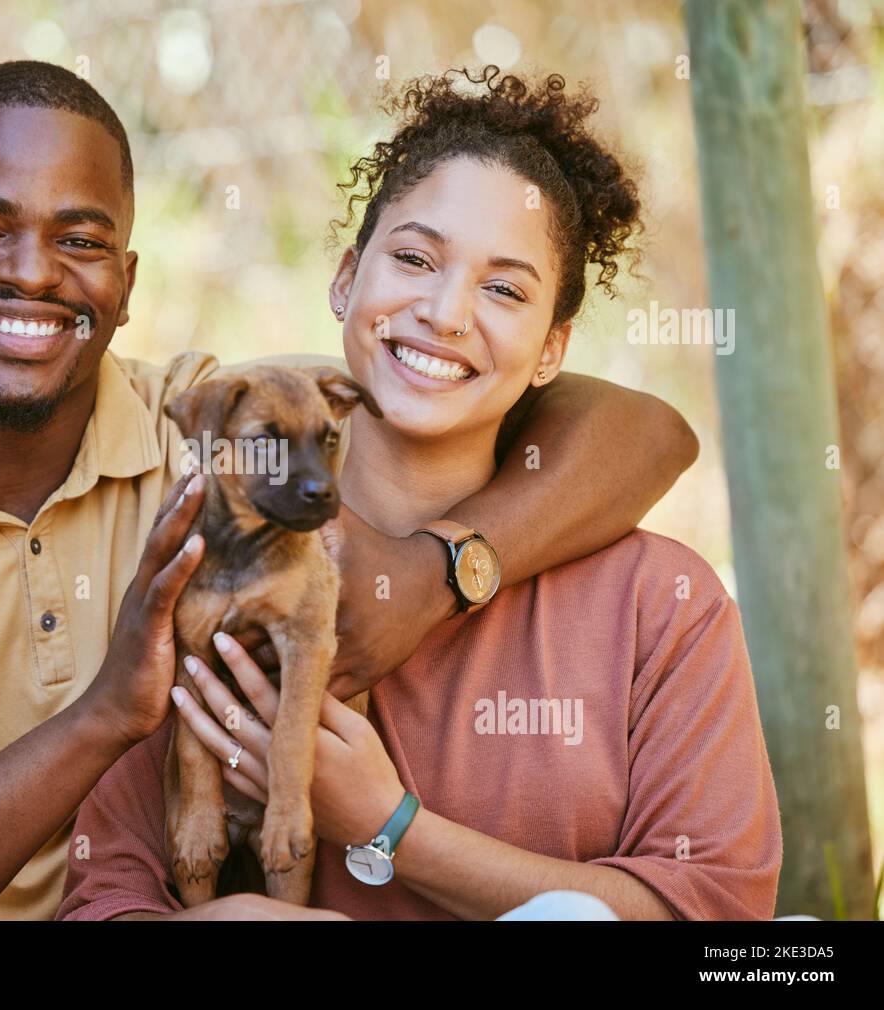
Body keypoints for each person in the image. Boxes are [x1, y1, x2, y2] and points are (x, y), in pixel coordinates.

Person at [0, 61, 698, 920]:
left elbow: (640, 430)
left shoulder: (215, 430)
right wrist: (101, 716)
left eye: (80, 240)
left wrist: (438, 571)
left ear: (125, 283)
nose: (31, 272)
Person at [57, 67, 781, 922]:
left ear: (552, 349)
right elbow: (107, 891)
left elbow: (727, 923)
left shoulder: (660, 606)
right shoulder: (215, 562)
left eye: (504, 289)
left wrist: (391, 824)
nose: (444, 312)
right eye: (413, 258)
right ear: (344, 281)